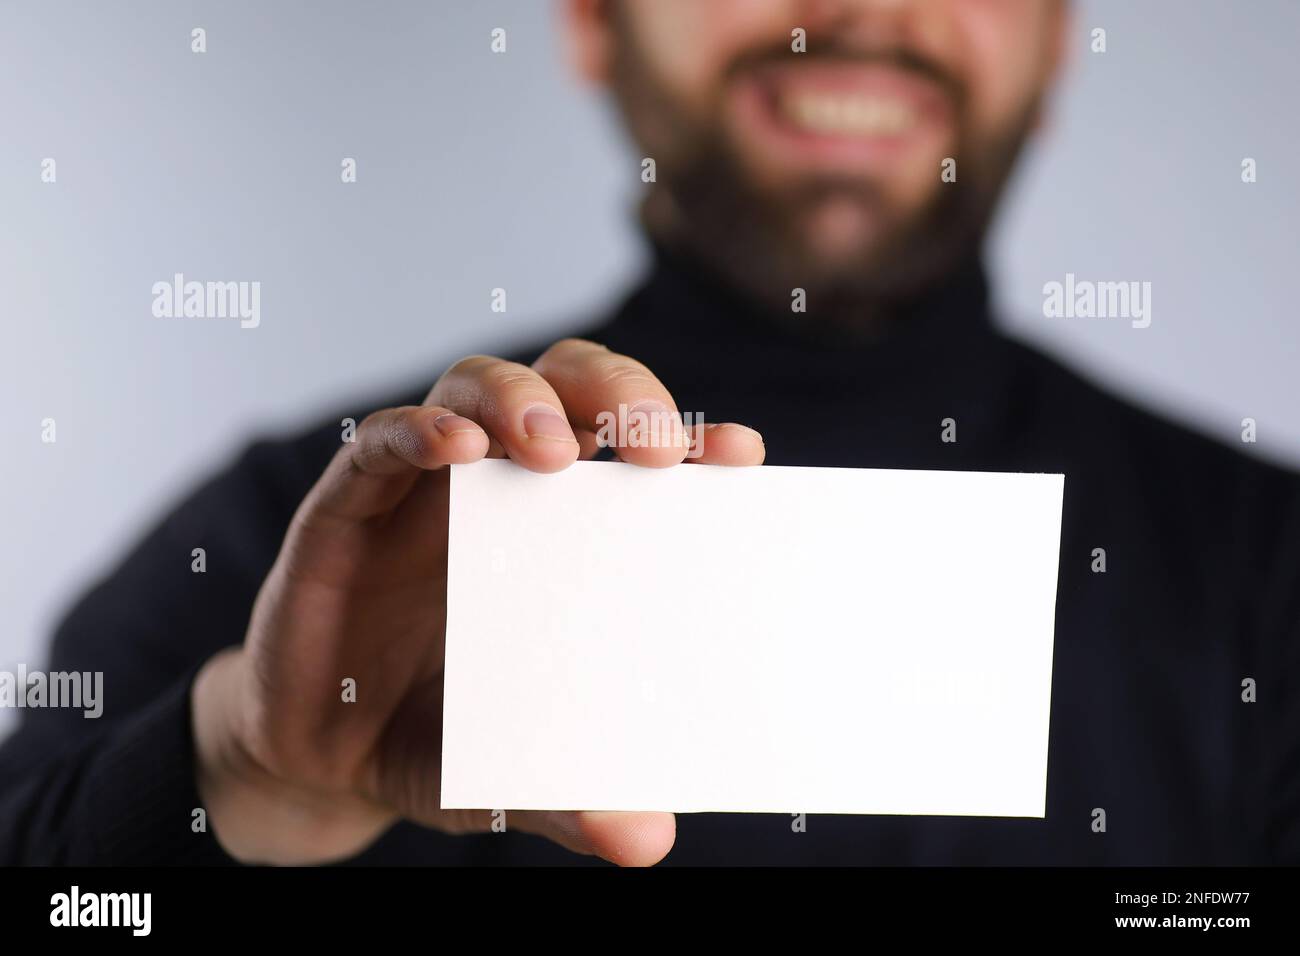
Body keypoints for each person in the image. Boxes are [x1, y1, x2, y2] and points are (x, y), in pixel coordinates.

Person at [2, 0, 1297, 866]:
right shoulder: (302, 541)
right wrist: (238, 771)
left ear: (1059, 35)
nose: (855, 15)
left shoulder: (1269, 568)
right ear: (587, 21)